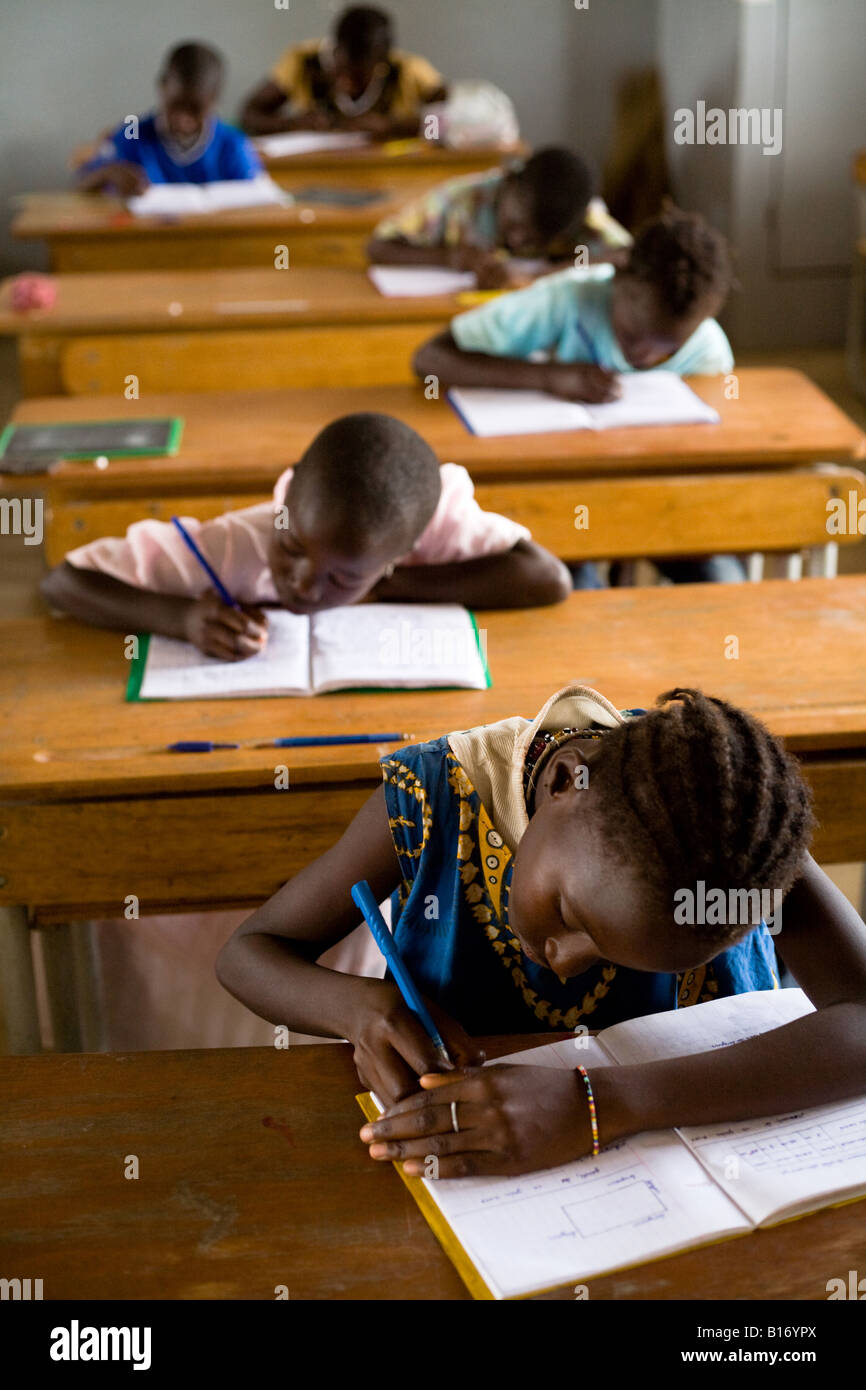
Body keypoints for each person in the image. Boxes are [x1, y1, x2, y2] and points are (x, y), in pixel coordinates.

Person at [216, 684, 866, 1177]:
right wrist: (360, 1008)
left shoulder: (734, 835)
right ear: (560, 782)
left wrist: (604, 1104)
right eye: (569, 918)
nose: (565, 962)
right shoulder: (434, 796)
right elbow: (248, 954)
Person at [40, 413, 571, 649]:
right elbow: (63, 583)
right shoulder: (235, 543)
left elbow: (546, 578)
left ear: (401, 553)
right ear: (285, 500)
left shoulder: (427, 522)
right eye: (290, 547)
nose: (304, 584)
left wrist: (385, 588)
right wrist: (178, 617)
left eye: (342, 578)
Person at [414, 206, 742, 585]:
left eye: (668, 349)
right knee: (576, 587)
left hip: (660, 503)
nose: (644, 357)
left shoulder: (708, 349)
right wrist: (550, 377)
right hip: (560, 495)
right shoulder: (565, 299)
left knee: (723, 578)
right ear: (618, 274)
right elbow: (431, 357)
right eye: (633, 336)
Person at [367, 147, 631, 290]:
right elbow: (378, 246)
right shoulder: (461, 198)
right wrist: (452, 257)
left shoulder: (581, 214)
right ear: (509, 180)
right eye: (514, 225)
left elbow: (630, 256)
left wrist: (545, 275)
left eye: (536, 240)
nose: (517, 240)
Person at [76, 42, 261, 197]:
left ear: (214, 101)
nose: (183, 120)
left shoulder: (233, 144)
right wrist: (110, 172)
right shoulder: (131, 135)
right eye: (176, 106)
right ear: (162, 87)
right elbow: (81, 184)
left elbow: (257, 198)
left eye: (196, 110)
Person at [240, 5, 446, 141]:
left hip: (393, 171)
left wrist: (392, 127)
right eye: (340, 71)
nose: (347, 84)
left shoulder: (408, 70)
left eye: (359, 76)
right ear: (334, 50)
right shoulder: (303, 61)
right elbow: (249, 116)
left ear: (382, 64)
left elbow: (446, 123)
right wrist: (291, 123)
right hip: (319, 169)